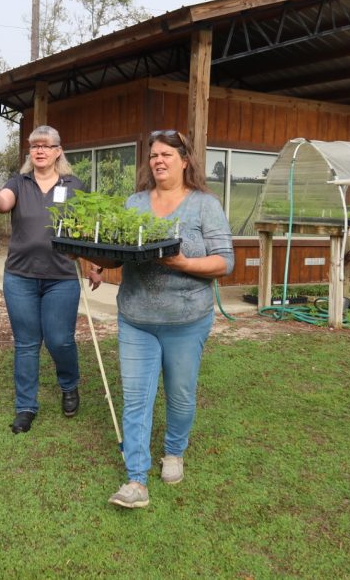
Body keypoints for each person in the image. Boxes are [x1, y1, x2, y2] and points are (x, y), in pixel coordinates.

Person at [101, 130, 233, 509]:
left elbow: (225, 261)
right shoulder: (135, 202)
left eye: (166, 154)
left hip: (187, 319)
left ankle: (174, 452)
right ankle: (135, 480)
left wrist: (183, 263)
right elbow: (119, 252)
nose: (158, 160)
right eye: (153, 155)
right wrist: (96, 259)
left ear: (184, 160)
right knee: (136, 397)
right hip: (136, 317)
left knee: (180, 394)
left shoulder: (204, 205)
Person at [0, 125, 102, 434]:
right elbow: (3, 203)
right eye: (34, 146)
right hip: (20, 276)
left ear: (59, 151)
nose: (40, 150)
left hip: (62, 276)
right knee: (27, 343)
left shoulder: (74, 185)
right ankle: (26, 406)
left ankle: (69, 384)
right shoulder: (19, 182)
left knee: (60, 339)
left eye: (46, 146)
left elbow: (84, 229)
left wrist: (94, 265)